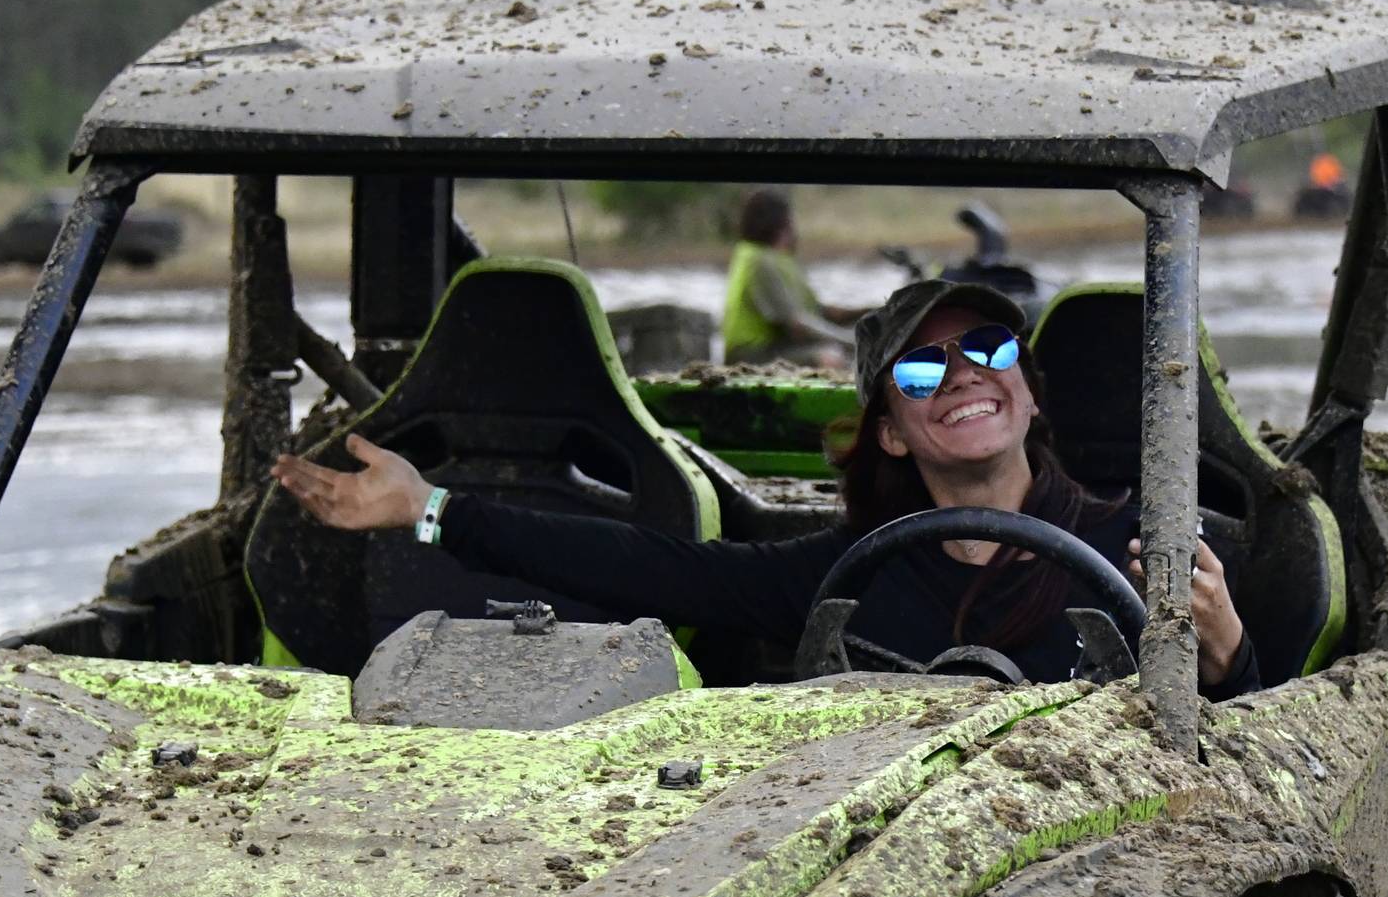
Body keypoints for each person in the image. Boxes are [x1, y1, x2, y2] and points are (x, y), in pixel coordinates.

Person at [271, 280, 1261, 698]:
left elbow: (1252, 759)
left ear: (1029, 392)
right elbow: (654, 570)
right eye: (920, 370)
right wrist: (430, 509)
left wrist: (1223, 655)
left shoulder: (1148, 546)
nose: (960, 374)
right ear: (886, 426)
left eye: (986, 349)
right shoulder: (849, 572)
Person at [721, 189, 868, 367]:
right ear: (781, 223)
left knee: (839, 347)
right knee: (830, 357)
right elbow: (796, 326)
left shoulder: (775, 258)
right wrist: (851, 343)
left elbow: (820, 312)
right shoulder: (759, 261)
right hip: (750, 354)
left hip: (773, 346)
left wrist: (874, 311)